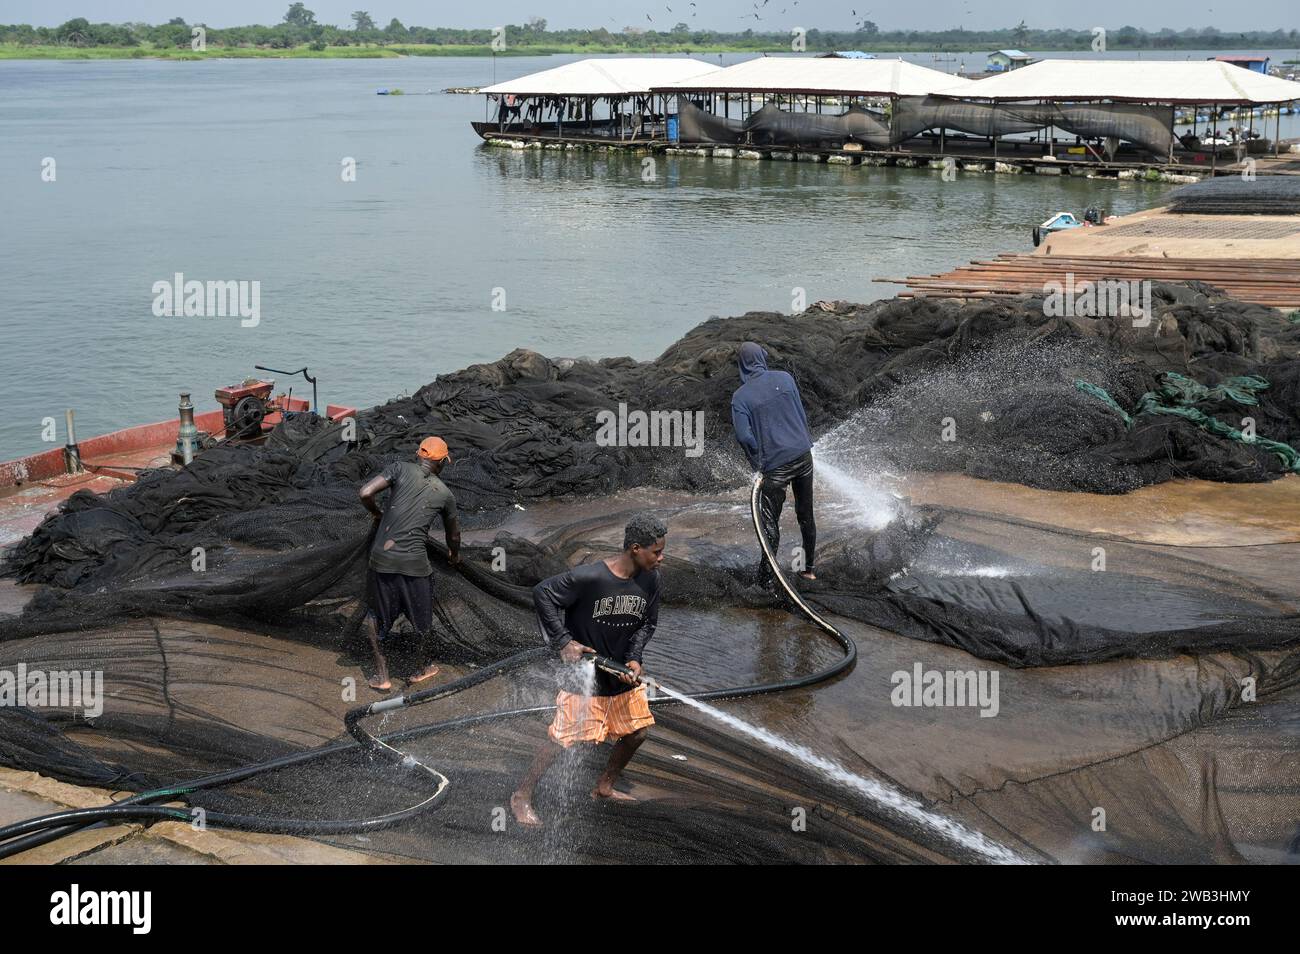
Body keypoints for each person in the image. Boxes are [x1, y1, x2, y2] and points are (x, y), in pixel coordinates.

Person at [510, 513, 666, 828]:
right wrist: (564, 641)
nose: (661, 558)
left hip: (620, 673)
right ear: (636, 548)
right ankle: (521, 795)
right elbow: (543, 594)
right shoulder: (590, 578)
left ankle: (604, 786)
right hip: (584, 674)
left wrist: (634, 658)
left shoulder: (651, 580)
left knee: (637, 732)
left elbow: (648, 623)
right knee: (562, 739)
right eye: (657, 551)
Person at [358, 436, 461, 691]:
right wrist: (454, 555)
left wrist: (375, 513)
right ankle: (421, 668)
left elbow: (365, 492)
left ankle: (382, 676)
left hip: (382, 560)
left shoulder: (399, 468)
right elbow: (454, 535)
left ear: (419, 455)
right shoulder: (445, 494)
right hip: (415, 565)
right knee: (422, 620)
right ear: (441, 463)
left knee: (375, 616)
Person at [731, 341, 818, 582]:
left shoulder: (740, 397)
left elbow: (743, 436)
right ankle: (808, 569)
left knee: (769, 522)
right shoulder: (785, 378)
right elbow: (799, 412)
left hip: (775, 467)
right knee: (805, 514)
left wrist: (757, 463)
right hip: (803, 456)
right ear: (761, 359)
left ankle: (767, 579)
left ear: (742, 366)